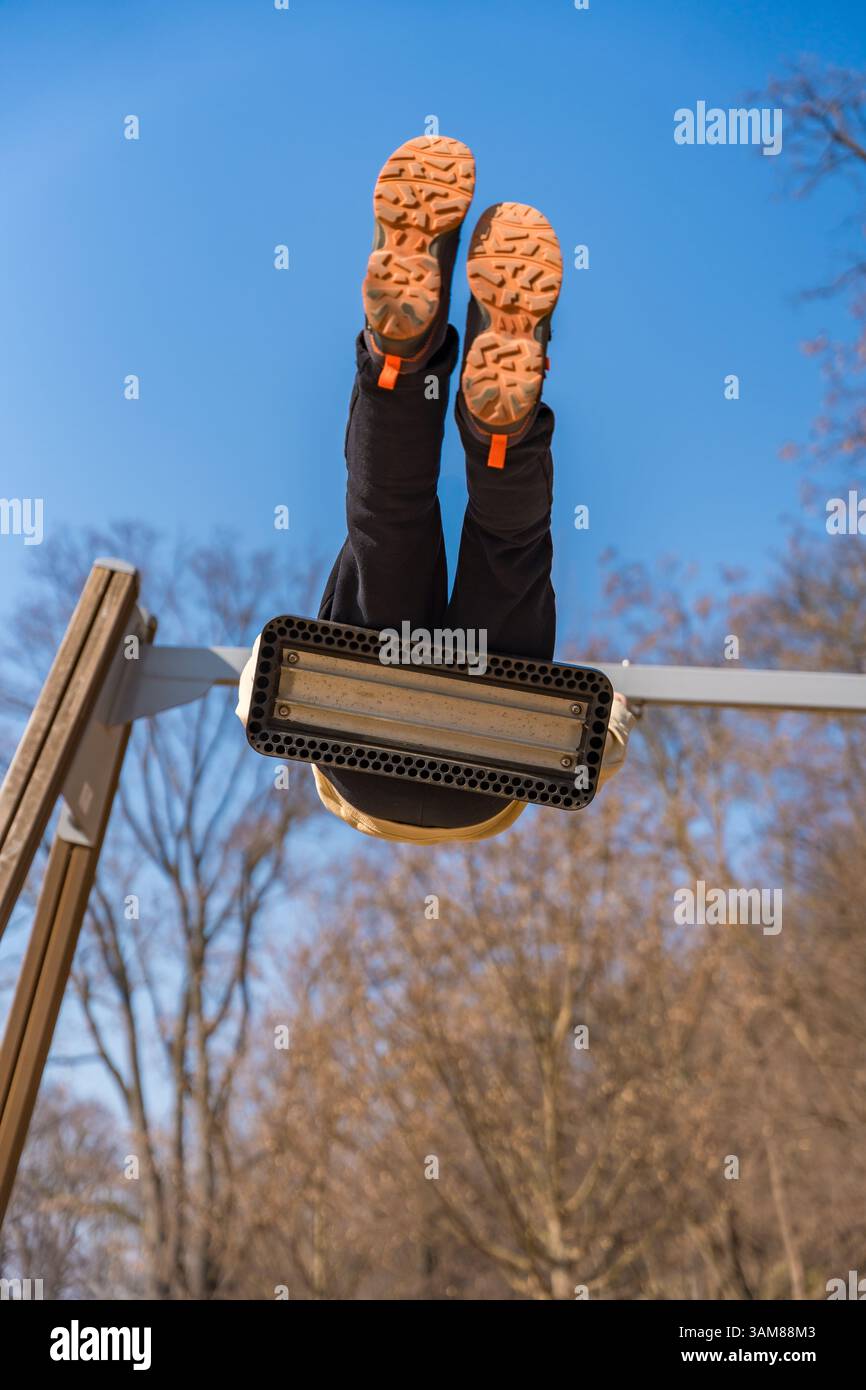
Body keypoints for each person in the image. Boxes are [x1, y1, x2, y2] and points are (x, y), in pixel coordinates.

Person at [237, 134, 634, 844]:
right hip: (353, 742)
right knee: (388, 522)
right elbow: (260, 699)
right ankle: (399, 362)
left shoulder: (493, 801)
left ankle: (497, 435)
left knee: (510, 548)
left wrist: (611, 729)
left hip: (493, 759)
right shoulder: (336, 773)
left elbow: (601, 739)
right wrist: (251, 690)